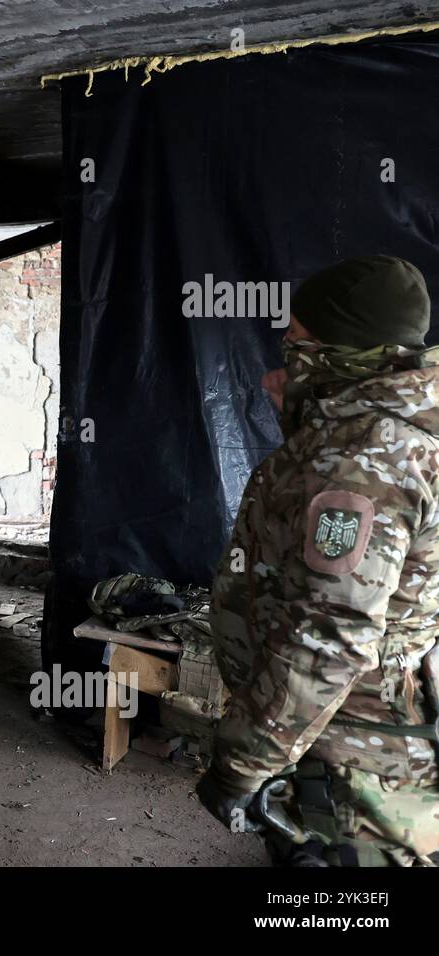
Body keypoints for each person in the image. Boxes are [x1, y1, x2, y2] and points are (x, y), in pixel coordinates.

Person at [198, 255, 439, 867]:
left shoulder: (367, 456)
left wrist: (242, 765)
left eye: (298, 341)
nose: (283, 358)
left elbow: (330, 635)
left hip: (356, 759)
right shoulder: (391, 430)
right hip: (359, 740)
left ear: (342, 350)